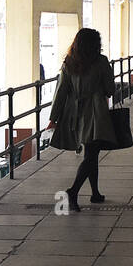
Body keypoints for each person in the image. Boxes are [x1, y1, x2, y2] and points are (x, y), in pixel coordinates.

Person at [47, 28, 115, 211]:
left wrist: (53, 118)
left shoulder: (69, 63)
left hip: (74, 113)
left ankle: (95, 193)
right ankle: (73, 191)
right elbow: (110, 89)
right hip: (95, 113)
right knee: (92, 153)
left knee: (90, 153)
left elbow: (60, 92)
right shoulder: (101, 61)